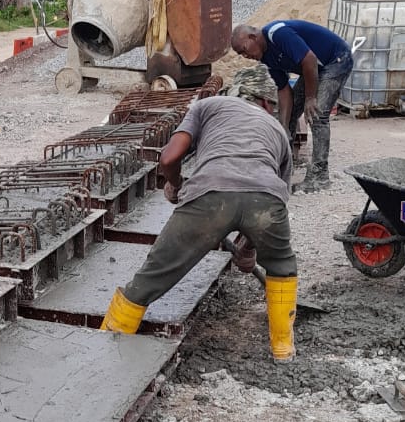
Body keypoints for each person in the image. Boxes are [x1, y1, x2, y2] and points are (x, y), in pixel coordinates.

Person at [99, 64, 299, 363]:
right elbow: (274, 198)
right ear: (267, 103)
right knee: (282, 266)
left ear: (234, 92)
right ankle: (283, 350)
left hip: (209, 196)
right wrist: (248, 248)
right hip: (265, 203)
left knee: (153, 275)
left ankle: (104, 341)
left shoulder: (208, 105)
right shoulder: (278, 132)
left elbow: (169, 156)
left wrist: (176, 184)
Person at [230, 19, 353, 192]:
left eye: (244, 50)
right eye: (240, 55)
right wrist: (284, 126)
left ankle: (319, 176)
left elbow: (309, 58)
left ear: (252, 37)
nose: (245, 56)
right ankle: (286, 164)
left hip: (335, 60)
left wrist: (311, 98)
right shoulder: (266, 58)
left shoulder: (277, 34)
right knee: (291, 112)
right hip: (313, 68)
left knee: (317, 114)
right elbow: (284, 90)